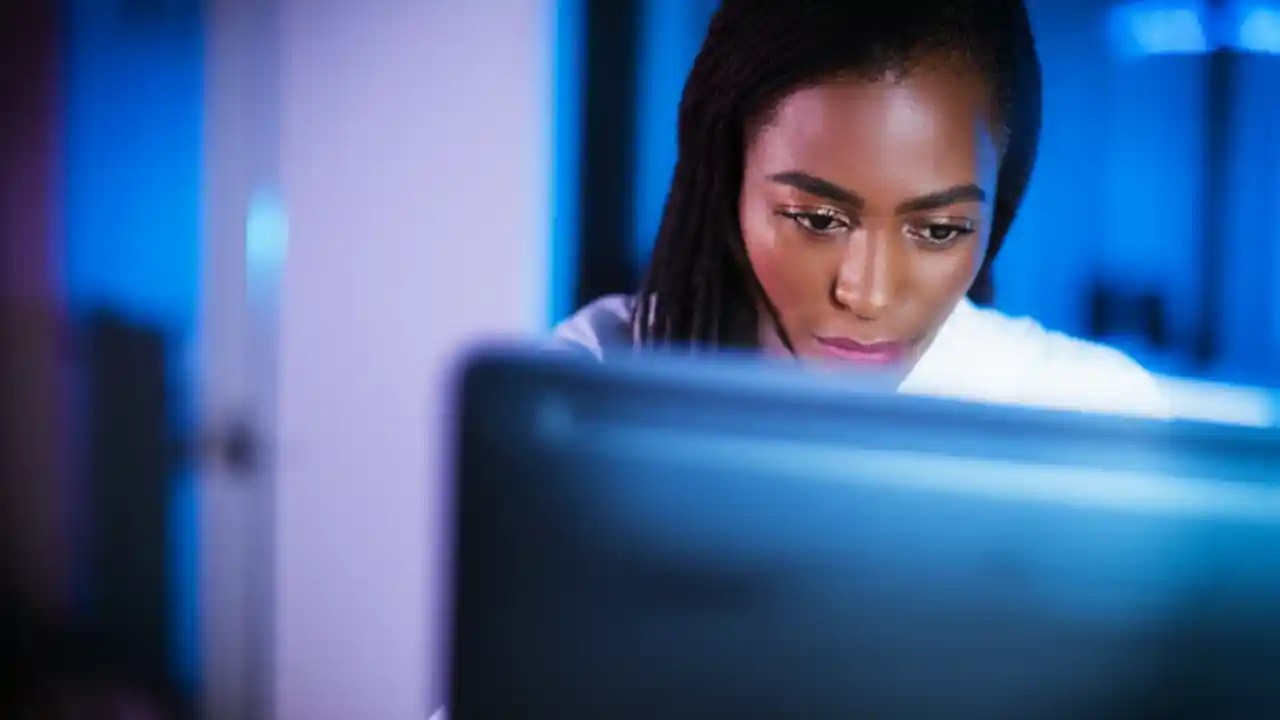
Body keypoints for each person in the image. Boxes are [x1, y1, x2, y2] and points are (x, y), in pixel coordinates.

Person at [555, 0, 1169, 418]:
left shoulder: (1090, 413)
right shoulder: (591, 381)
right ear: (728, 180)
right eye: (819, 220)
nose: (867, 293)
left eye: (938, 230)